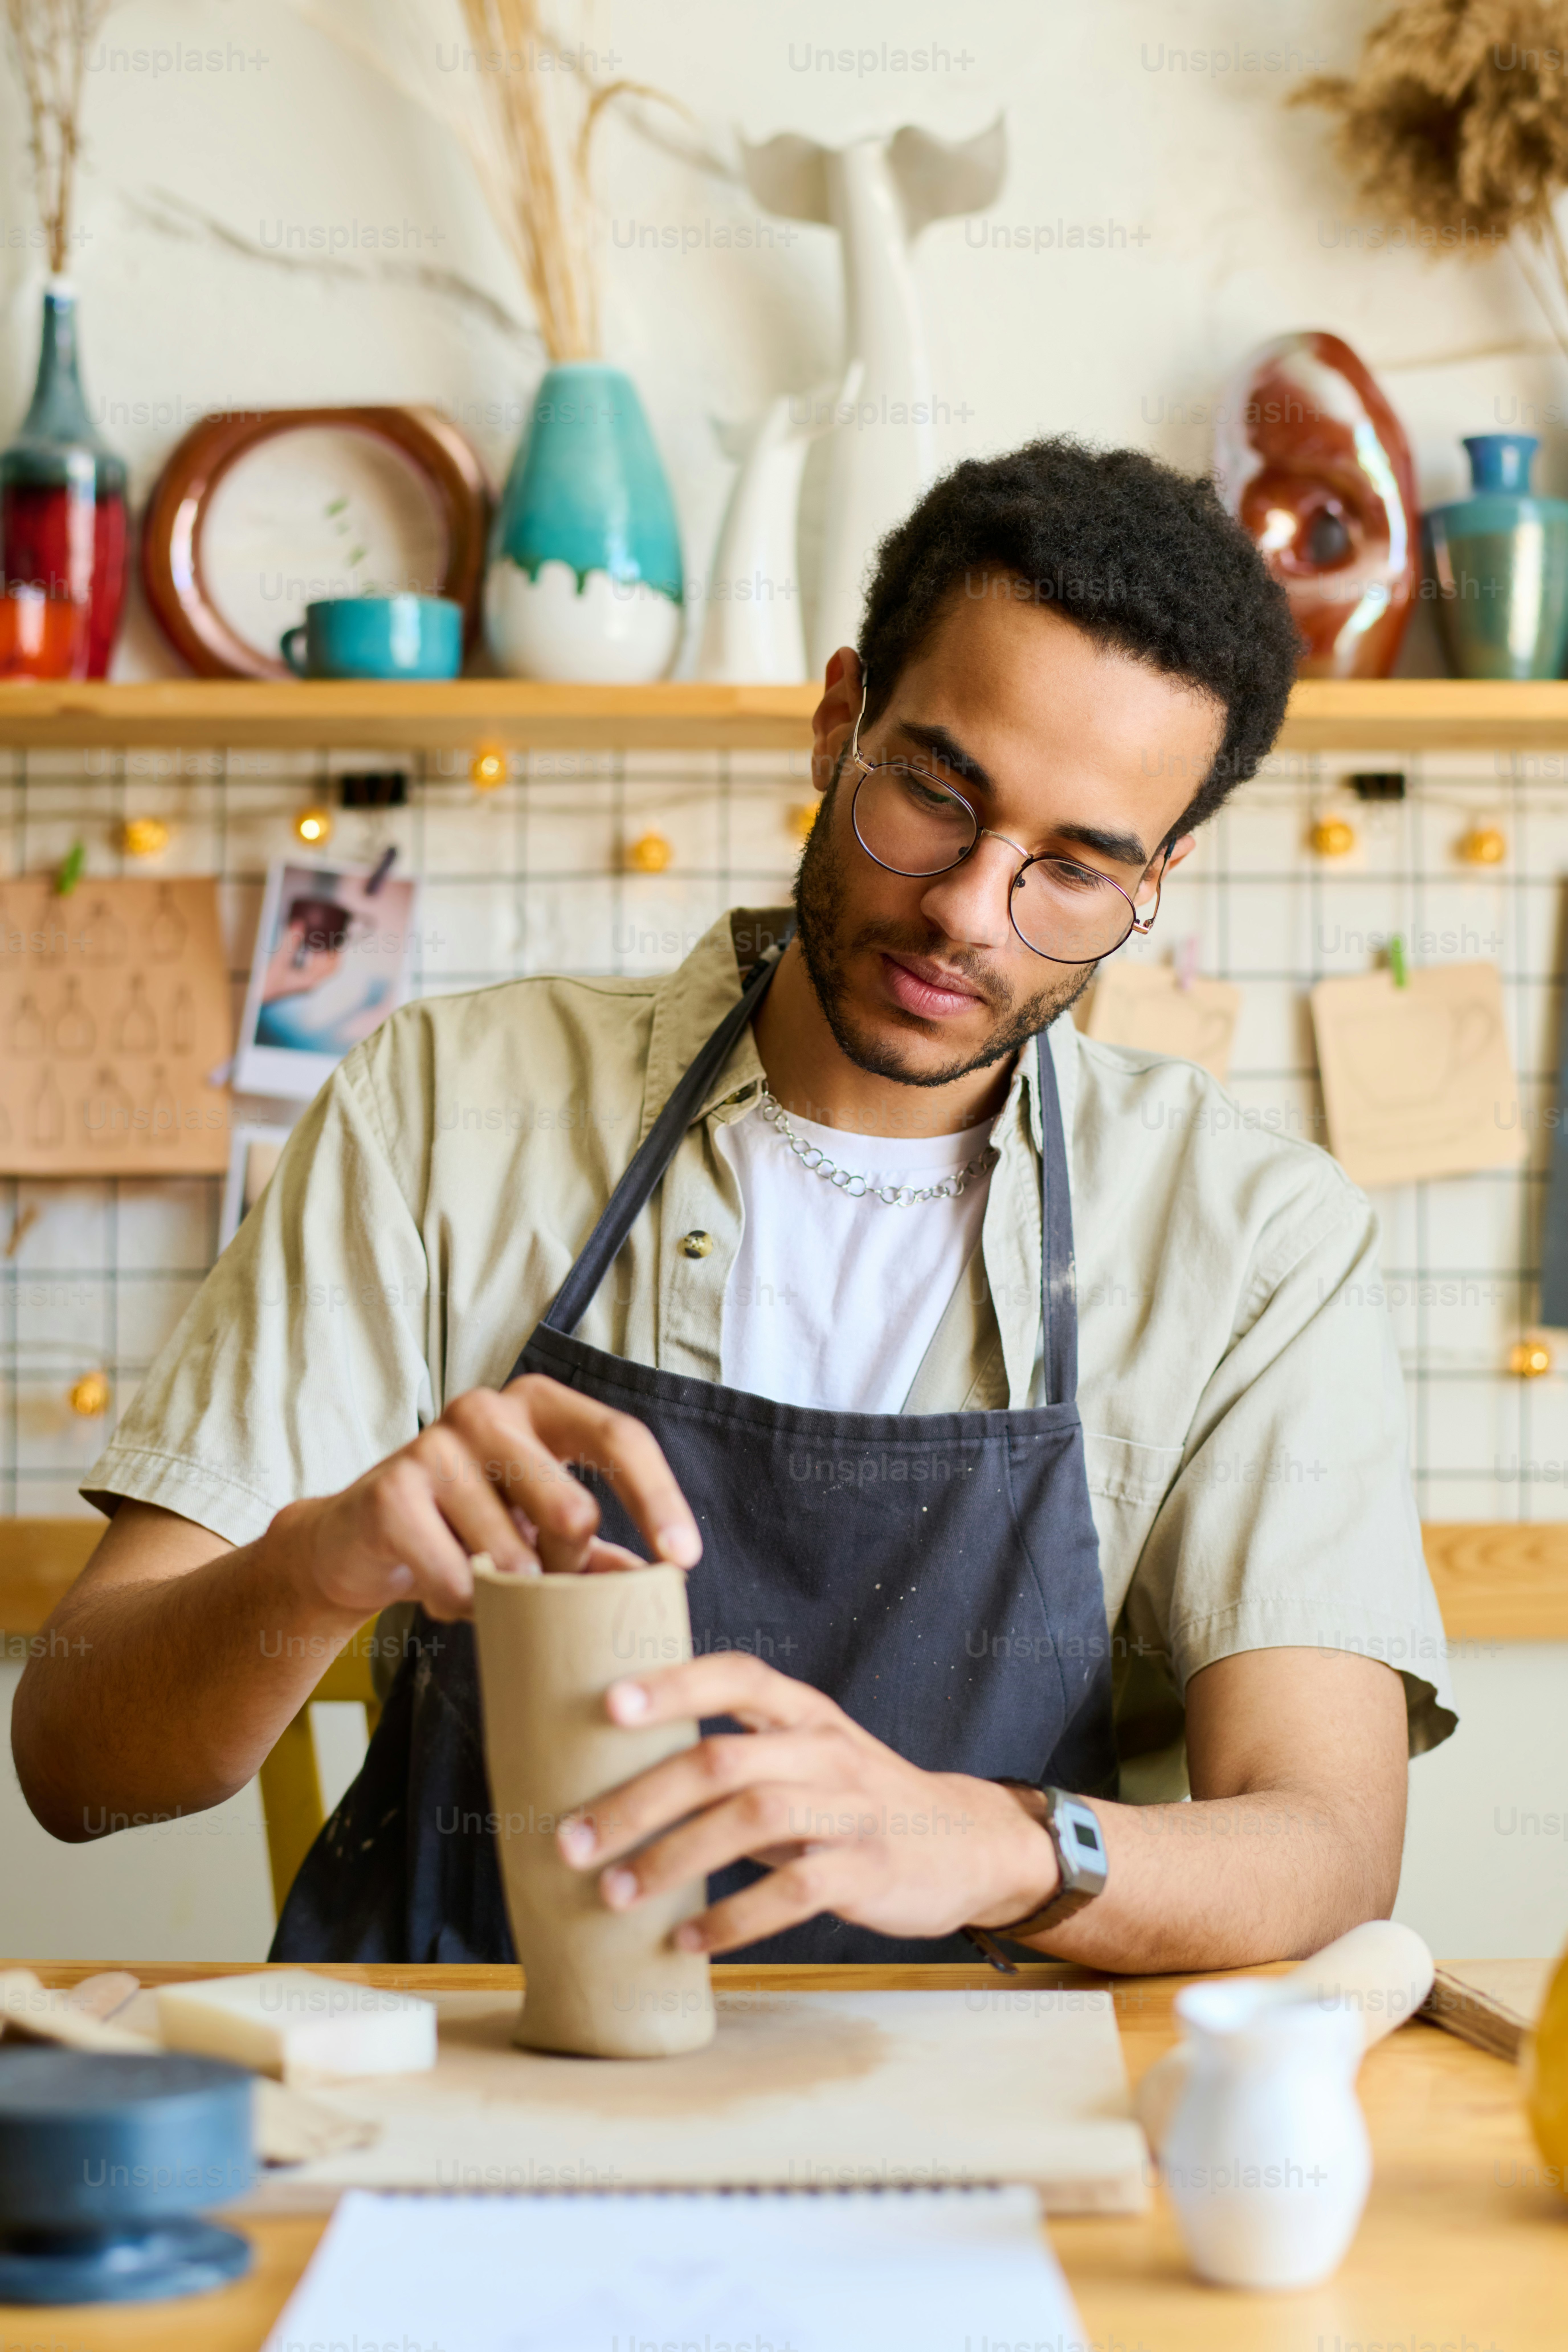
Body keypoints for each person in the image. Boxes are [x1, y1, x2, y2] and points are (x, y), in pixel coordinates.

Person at [14, 439, 1453, 1970]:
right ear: (841, 717)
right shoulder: (442, 1106)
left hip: (996, 2127)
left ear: (1159, 880)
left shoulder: (1252, 1238)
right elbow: (76, 1760)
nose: (970, 910)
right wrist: (321, 1560)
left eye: (1076, 869)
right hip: (466, 2095)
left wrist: (995, 1839)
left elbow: (1325, 1849)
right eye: (937, 794)